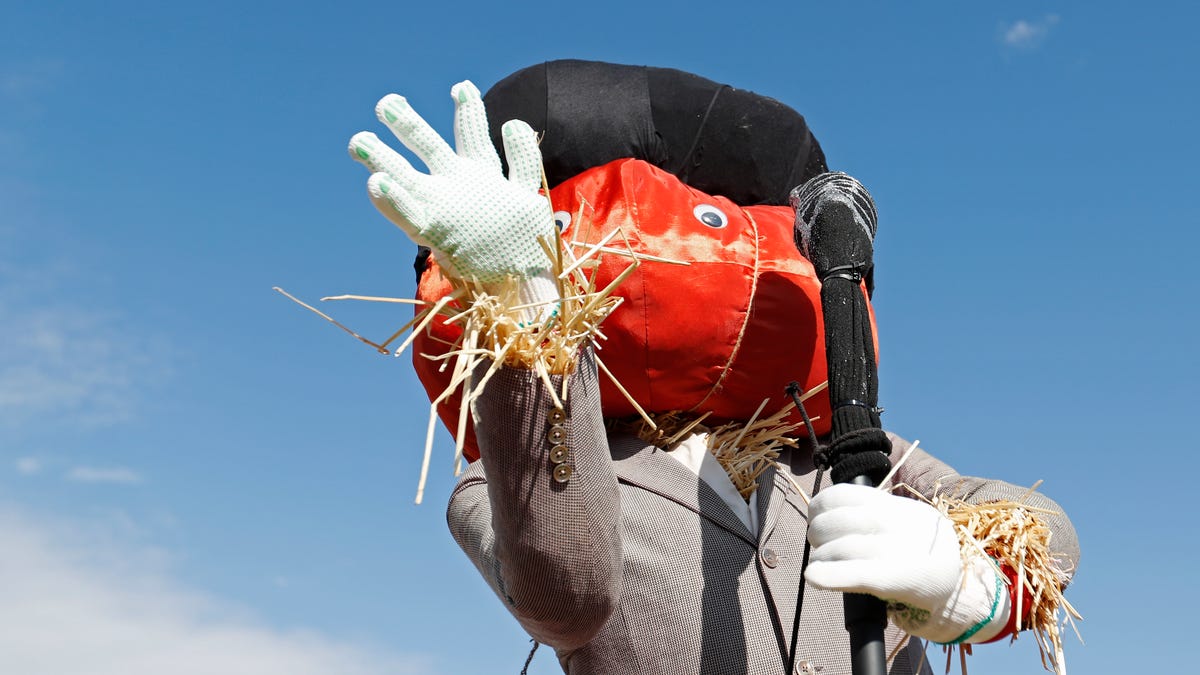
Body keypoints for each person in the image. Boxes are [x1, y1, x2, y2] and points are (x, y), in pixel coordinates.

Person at [347, 70, 1079, 675]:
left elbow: (1042, 525)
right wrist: (525, 297)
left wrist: (970, 587)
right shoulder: (497, 476)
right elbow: (567, 597)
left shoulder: (839, 460)